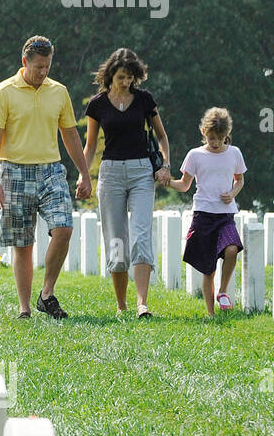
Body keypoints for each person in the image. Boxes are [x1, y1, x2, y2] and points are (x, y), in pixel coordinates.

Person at [0, 35, 91, 319]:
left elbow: (70, 135)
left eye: (47, 67)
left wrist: (84, 173)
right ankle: (24, 307)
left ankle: (47, 293)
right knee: (22, 243)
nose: (43, 73)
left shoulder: (59, 92)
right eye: (38, 67)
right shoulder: (4, 92)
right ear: (24, 62)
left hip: (51, 169)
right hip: (14, 170)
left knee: (64, 228)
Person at [82, 49, 171, 318]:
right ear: (110, 76)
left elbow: (162, 136)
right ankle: (121, 305)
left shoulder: (144, 100)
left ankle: (142, 303)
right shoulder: (97, 104)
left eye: (130, 77)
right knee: (117, 242)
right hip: (110, 175)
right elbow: (89, 146)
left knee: (141, 236)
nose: (125, 82)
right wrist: (83, 175)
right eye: (121, 77)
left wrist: (165, 165)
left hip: (142, 171)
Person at [166, 107, 246, 316]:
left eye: (220, 138)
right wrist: (167, 182)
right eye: (211, 138)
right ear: (203, 132)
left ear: (226, 134)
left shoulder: (234, 153)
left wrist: (233, 192)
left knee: (232, 249)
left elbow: (239, 179)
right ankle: (211, 314)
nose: (216, 142)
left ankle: (223, 291)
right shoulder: (195, 155)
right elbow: (184, 185)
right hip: (203, 214)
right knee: (208, 268)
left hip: (225, 214)